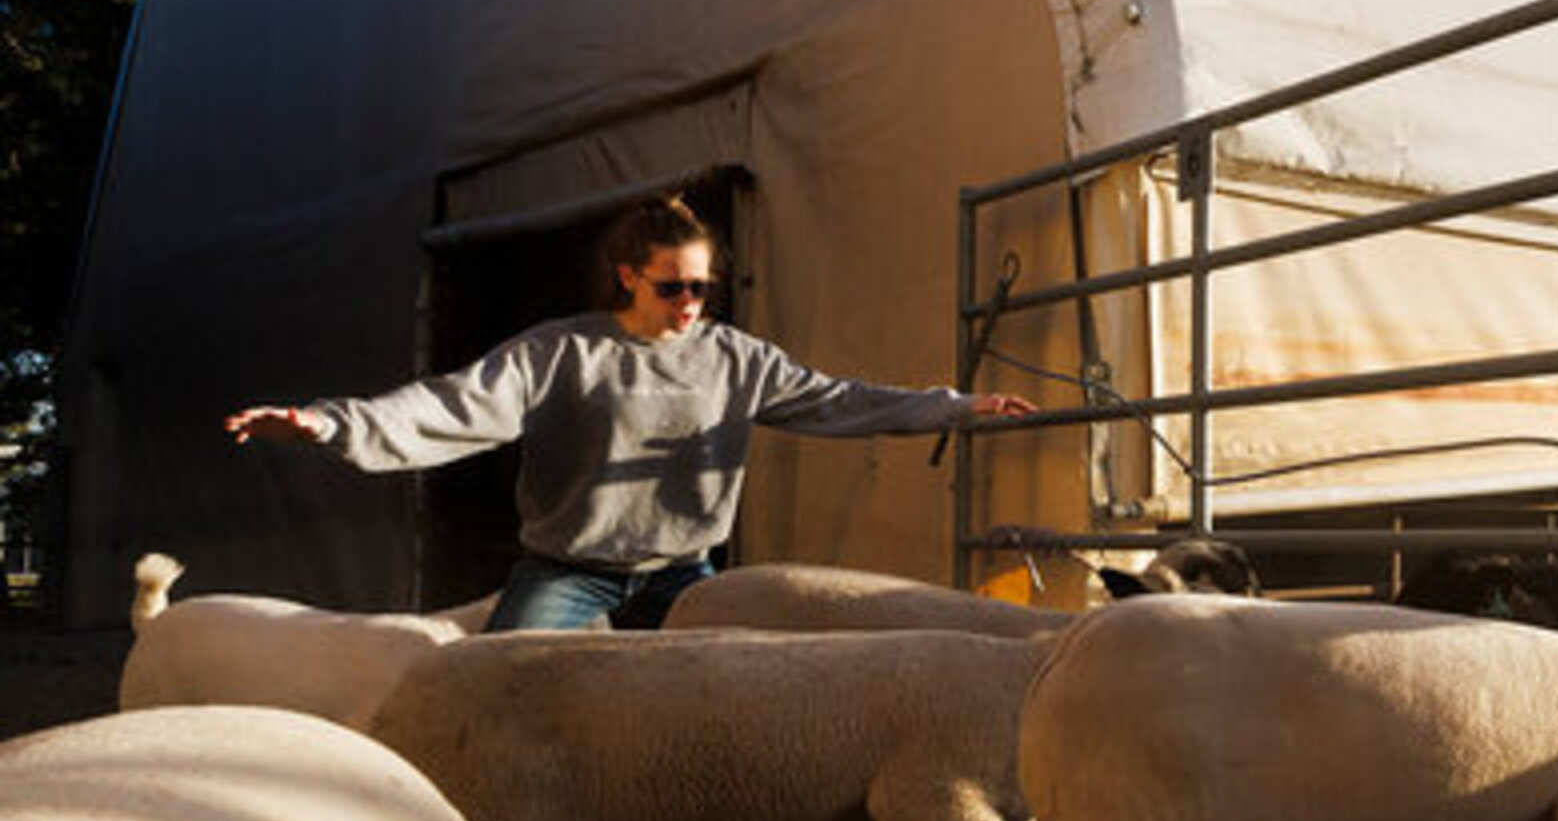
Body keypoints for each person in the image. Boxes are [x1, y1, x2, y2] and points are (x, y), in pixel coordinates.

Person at [228, 195, 1033, 630]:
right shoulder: (561, 354)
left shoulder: (735, 359)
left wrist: (954, 407)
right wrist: (330, 424)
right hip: (569, 572)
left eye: (702, 288)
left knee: (729, 710)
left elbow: (838, 401)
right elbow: (453, 405)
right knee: (492, 690)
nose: (690, 303)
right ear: (627, 278)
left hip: (682, 575)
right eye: (671, 286)